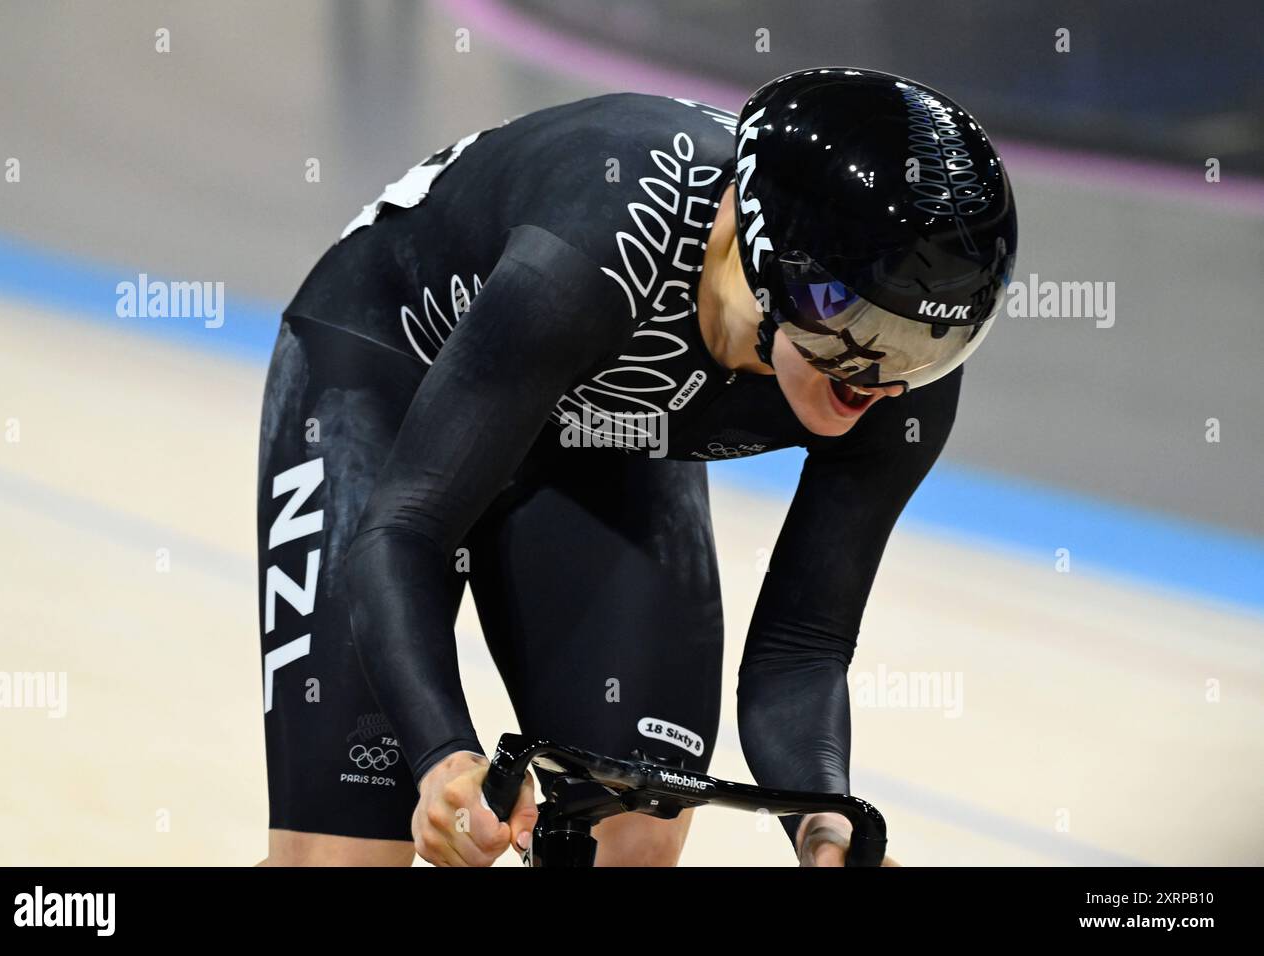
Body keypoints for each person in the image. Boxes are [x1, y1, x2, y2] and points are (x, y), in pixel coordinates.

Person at [255, 66, 1016, 867]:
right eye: (849, 323)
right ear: (763, 255)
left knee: (635, 837)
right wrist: (443, 756)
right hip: (393, 363)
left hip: (599, 412)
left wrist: (823, 826)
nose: (881, 378)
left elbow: (803, 648)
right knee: (342, 861)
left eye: (931, 344)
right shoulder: (598, 248)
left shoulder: (904, 378)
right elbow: (404, 532)